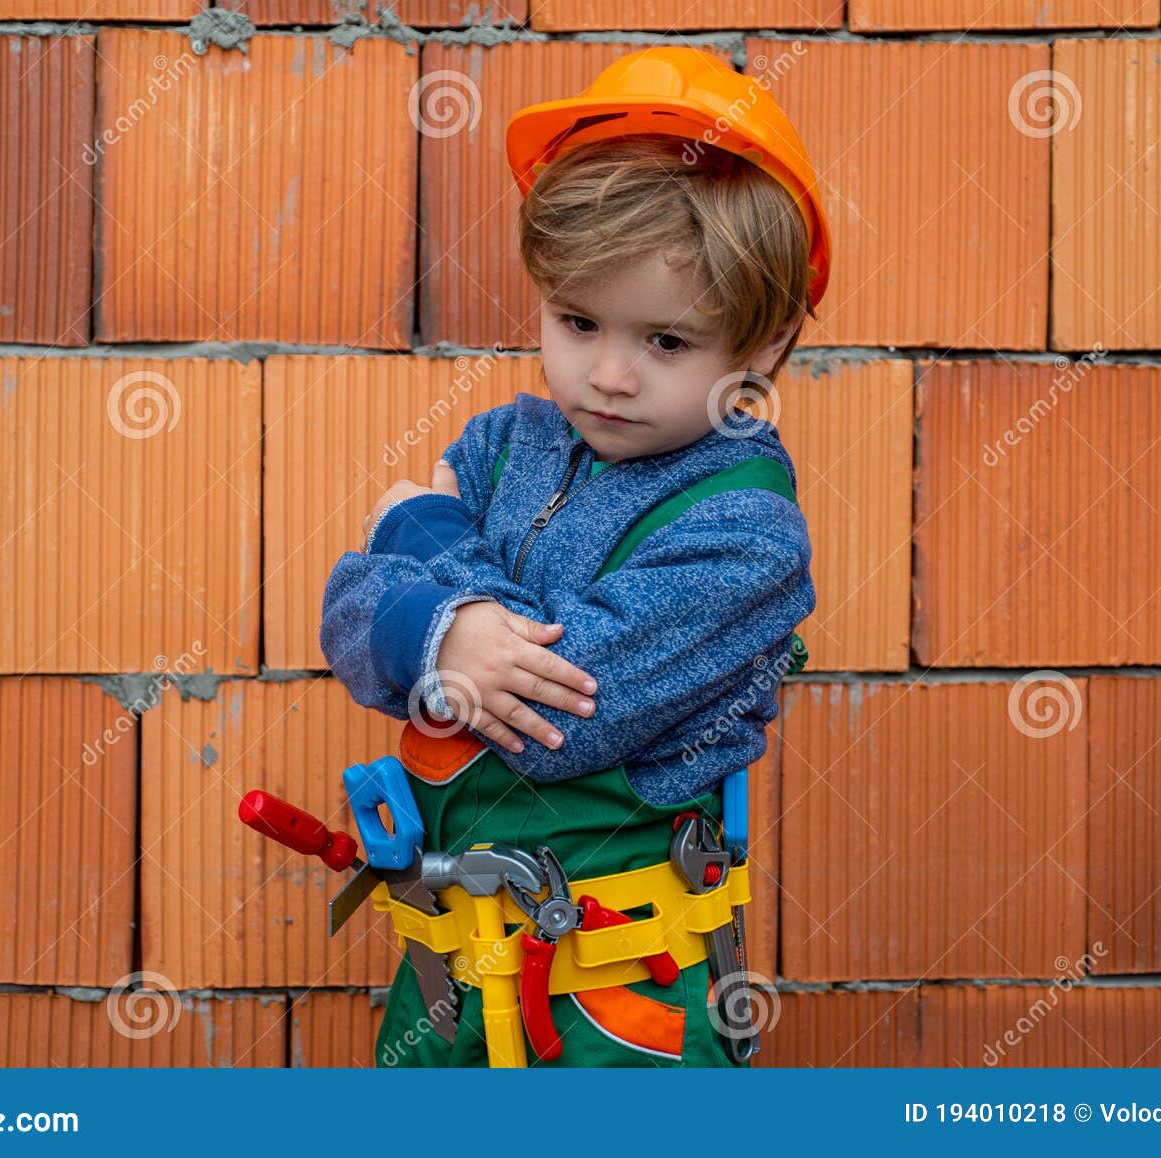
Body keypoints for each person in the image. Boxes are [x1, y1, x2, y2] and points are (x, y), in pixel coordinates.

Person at [319, 45, 831, 1067]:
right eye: (577, 320)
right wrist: (433, 632)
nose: (608, 375)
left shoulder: (744, 534)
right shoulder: (506, 445)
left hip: (616, 1006)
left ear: (762, 347)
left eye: (667, 343)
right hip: (449, 984)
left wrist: (423, 544)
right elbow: (345, 611)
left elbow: (560, 712)